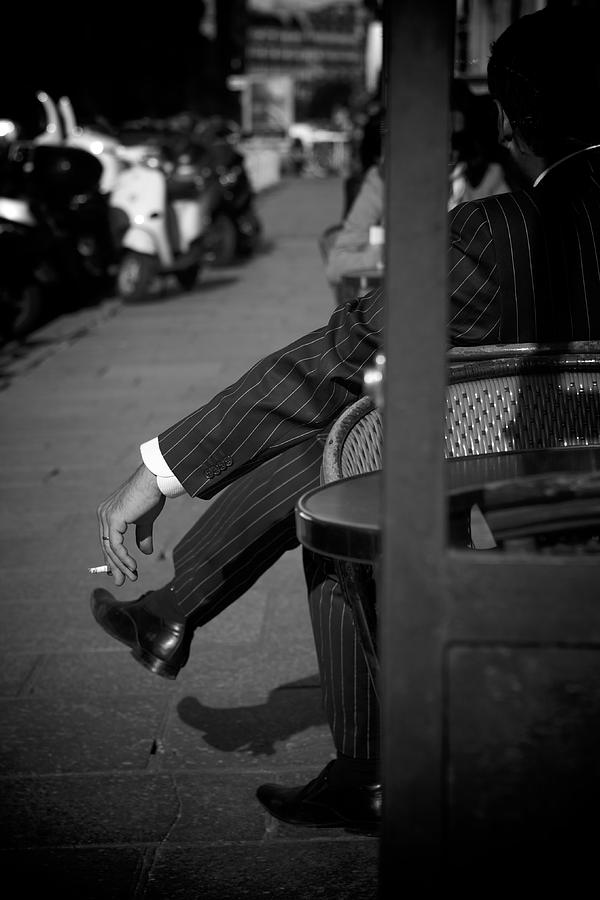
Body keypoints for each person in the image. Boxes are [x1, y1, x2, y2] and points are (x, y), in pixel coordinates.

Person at [92, 6, 600, 832]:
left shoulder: (501, 234)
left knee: (340, 479)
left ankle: (365, 764)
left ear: (506, 119)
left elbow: (334, 352)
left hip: (540, 492)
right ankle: (177, 613)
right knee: (348, 450)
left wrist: (159, 470)